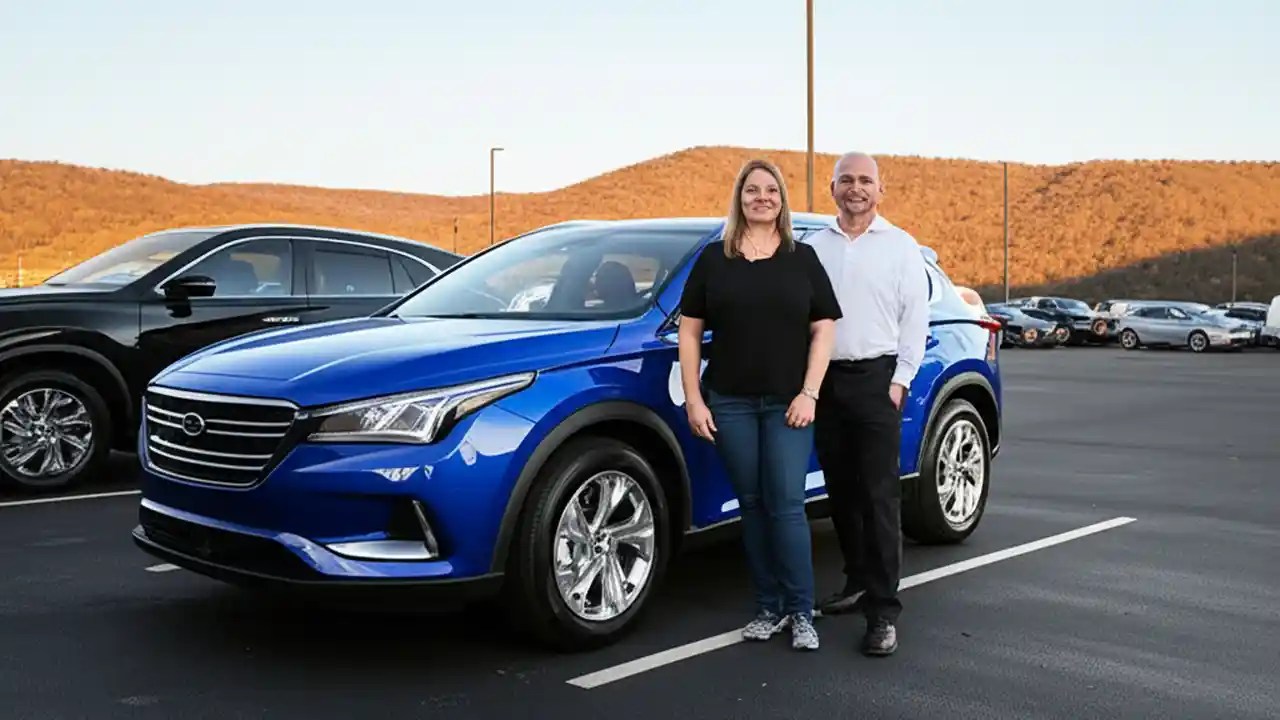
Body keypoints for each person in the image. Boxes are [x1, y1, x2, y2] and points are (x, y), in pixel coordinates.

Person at [678, 158, 841, 651]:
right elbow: (689, 331)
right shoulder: (714, 259)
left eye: (771, 189)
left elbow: (825, 327)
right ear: (740, 198)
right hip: (729, 402)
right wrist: (694, 400)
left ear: (781, 199)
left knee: (787, 504)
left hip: (789, 404)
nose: (762, 197)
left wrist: (810, 392)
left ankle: (801, 610)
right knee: (751, 504)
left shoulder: (802, 257)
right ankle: (767, 608)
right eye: (753, 190)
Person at [804, 151, 930, 657]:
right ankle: (856, 582)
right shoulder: (812, 248)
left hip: (878, 381)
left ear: (881, 190)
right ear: (831, 188)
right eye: (846, 180)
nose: (856, 188)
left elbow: (914, 321)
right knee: (841, 492)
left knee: (880, 498)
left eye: (865, 181)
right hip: (825, 382)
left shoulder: (901, 247)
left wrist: (899, 382)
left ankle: (883, 612)